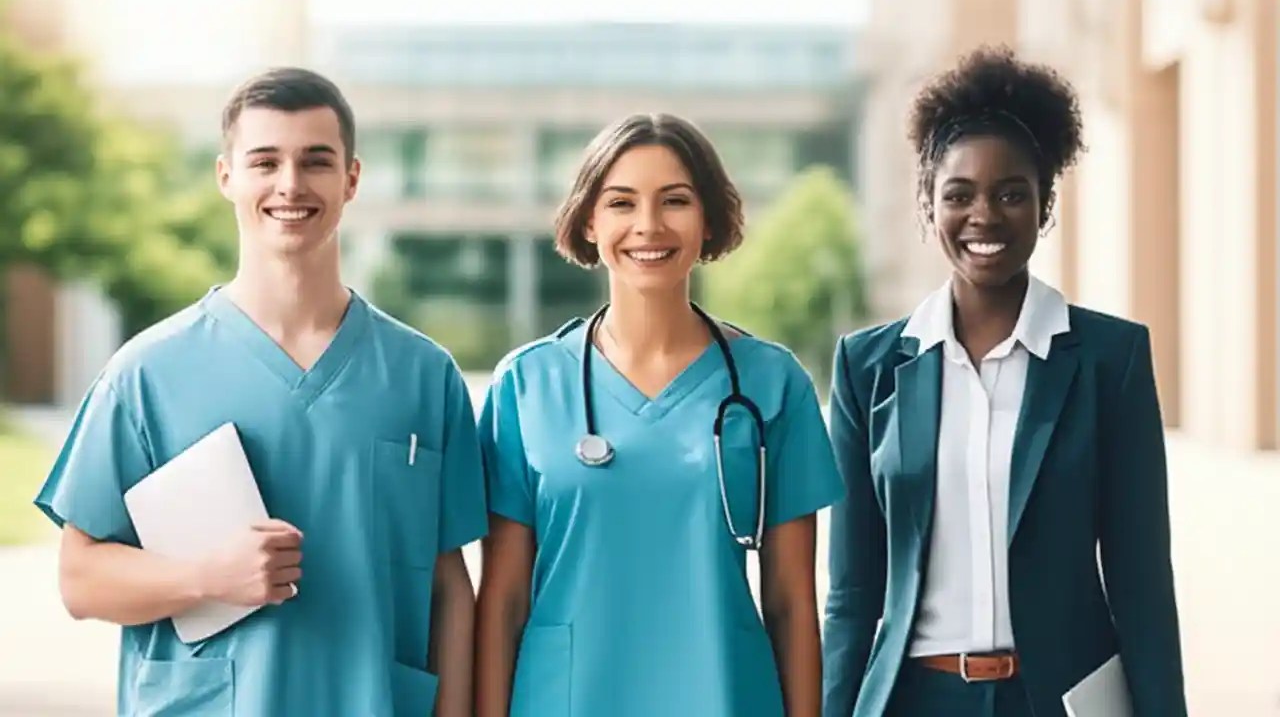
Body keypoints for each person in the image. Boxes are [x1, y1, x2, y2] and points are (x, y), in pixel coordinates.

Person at [34, 68, 486, 716]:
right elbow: (80, 580)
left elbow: (450, 585)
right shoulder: (148, 374)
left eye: (316, 161)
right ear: (227, 177)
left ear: (352, 179)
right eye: (265, 161)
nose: (290, 184)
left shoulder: (423, 375)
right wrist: (206, 578)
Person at [821, 46, 1187, 717]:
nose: (983, 215)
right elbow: (850, 594)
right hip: (913, 699)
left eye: (1011, 193)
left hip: (1060, 701)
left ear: (1046, 207)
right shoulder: (866, 369)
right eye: (958, 194)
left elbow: (1141, 582)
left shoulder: (1112, 359)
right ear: (928, 207)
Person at [473, 113, 845, 716]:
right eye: (621, 203)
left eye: (675, 201)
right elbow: (503, 600)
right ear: (590, 222)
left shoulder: (772, 385)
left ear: (708, 221)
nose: (648, 225)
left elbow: (792, 604)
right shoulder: (525, 386)